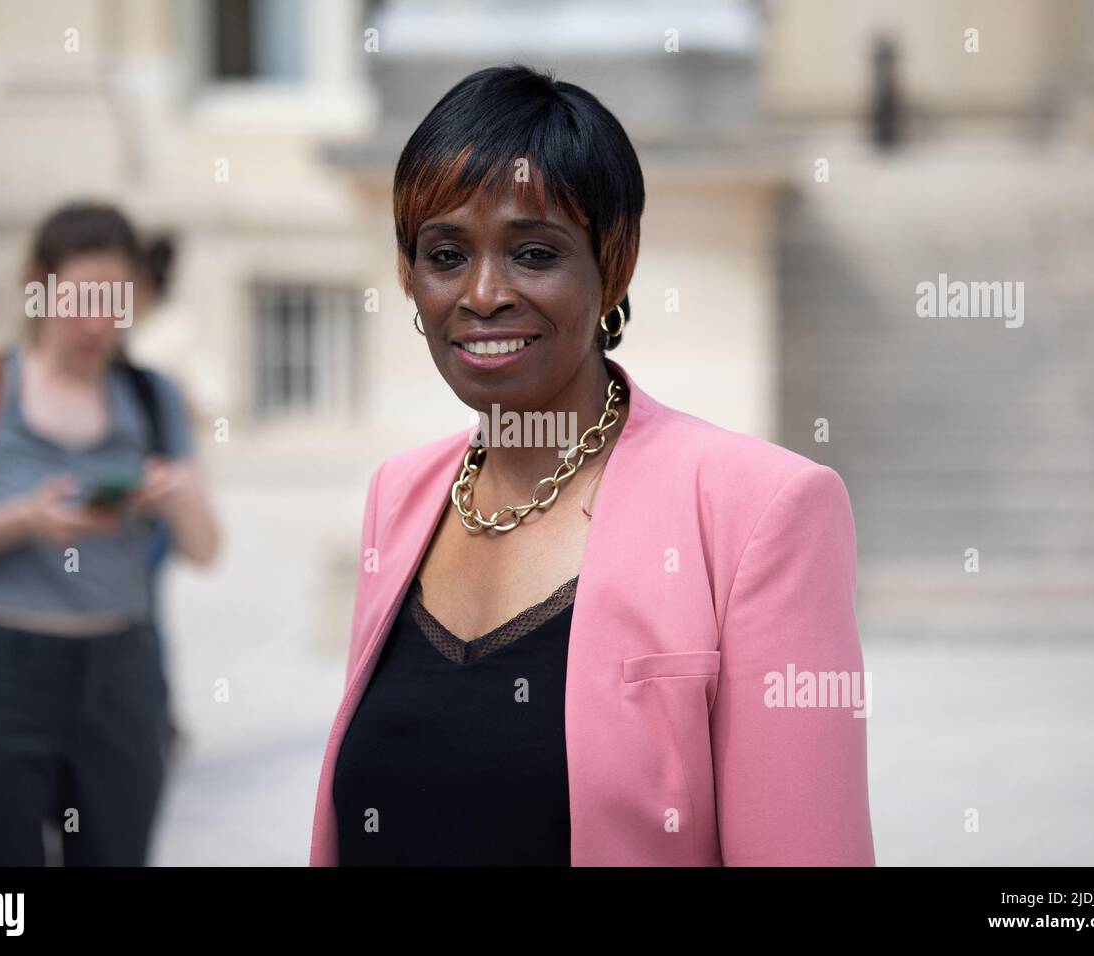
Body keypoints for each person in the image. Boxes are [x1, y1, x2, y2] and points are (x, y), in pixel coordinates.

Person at [311, 64, 875, 866]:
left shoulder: (759, 510)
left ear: (615, 262)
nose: (483, 294)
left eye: (533, 252)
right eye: (444, 255)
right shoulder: (399, 498)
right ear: (408, 277)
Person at [0, 201, 219, 866]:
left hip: (121, 674)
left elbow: (206, 549)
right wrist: (24, 519)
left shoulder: (152, 396)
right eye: (82, 297)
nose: (99, 322)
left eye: (116, 300)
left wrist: (178, 497)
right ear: (38, 285)